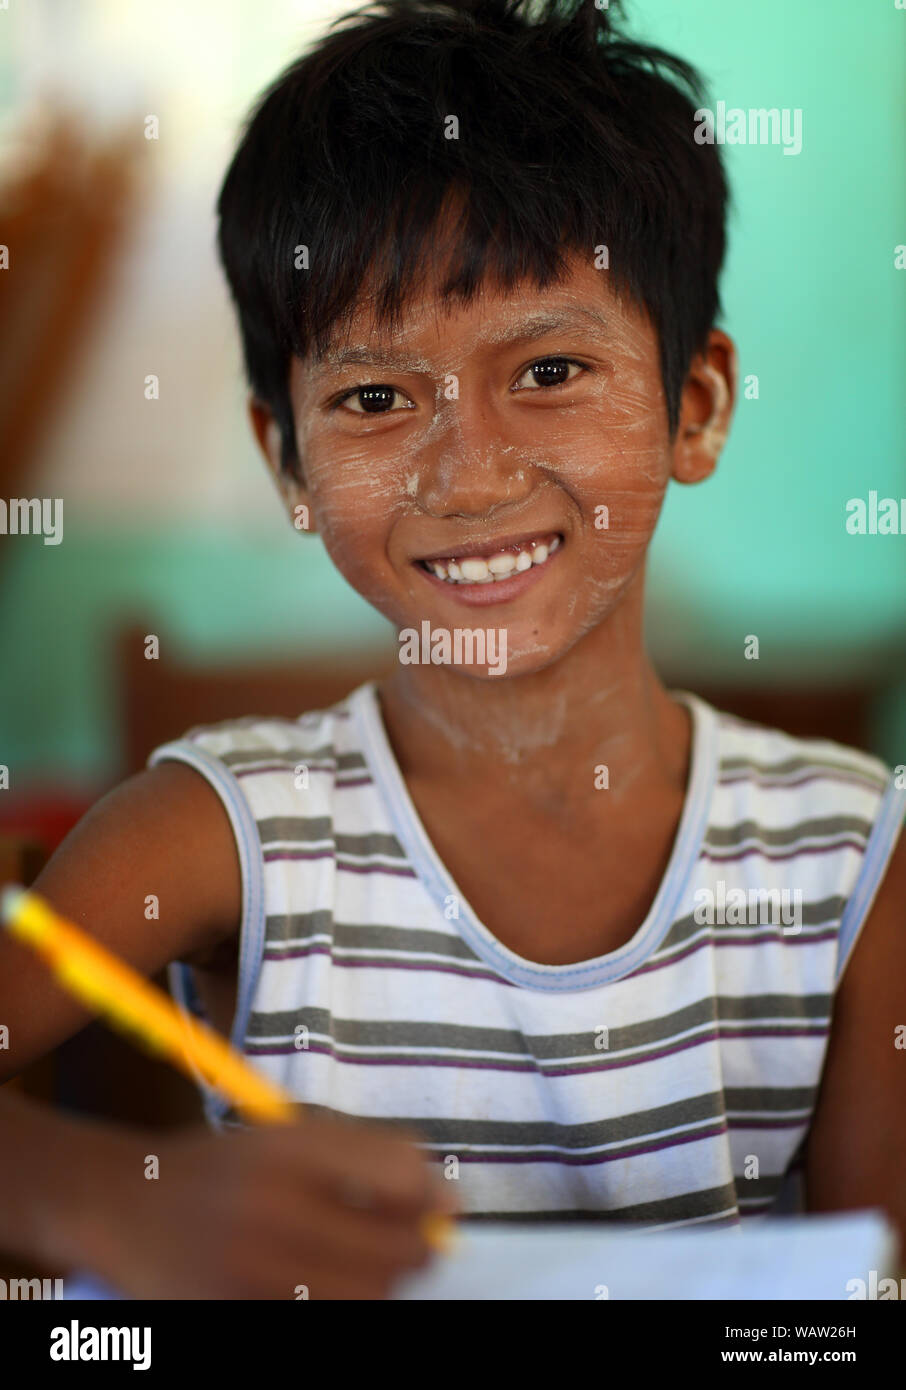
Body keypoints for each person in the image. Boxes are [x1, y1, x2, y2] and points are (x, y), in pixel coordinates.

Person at [2, 0, 903, 1300]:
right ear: (289, 463)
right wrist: (109, 1205)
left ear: (693, 407)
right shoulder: (221, 828)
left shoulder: (849, 861)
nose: (467, 473)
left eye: (547, 371)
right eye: (373, 399)